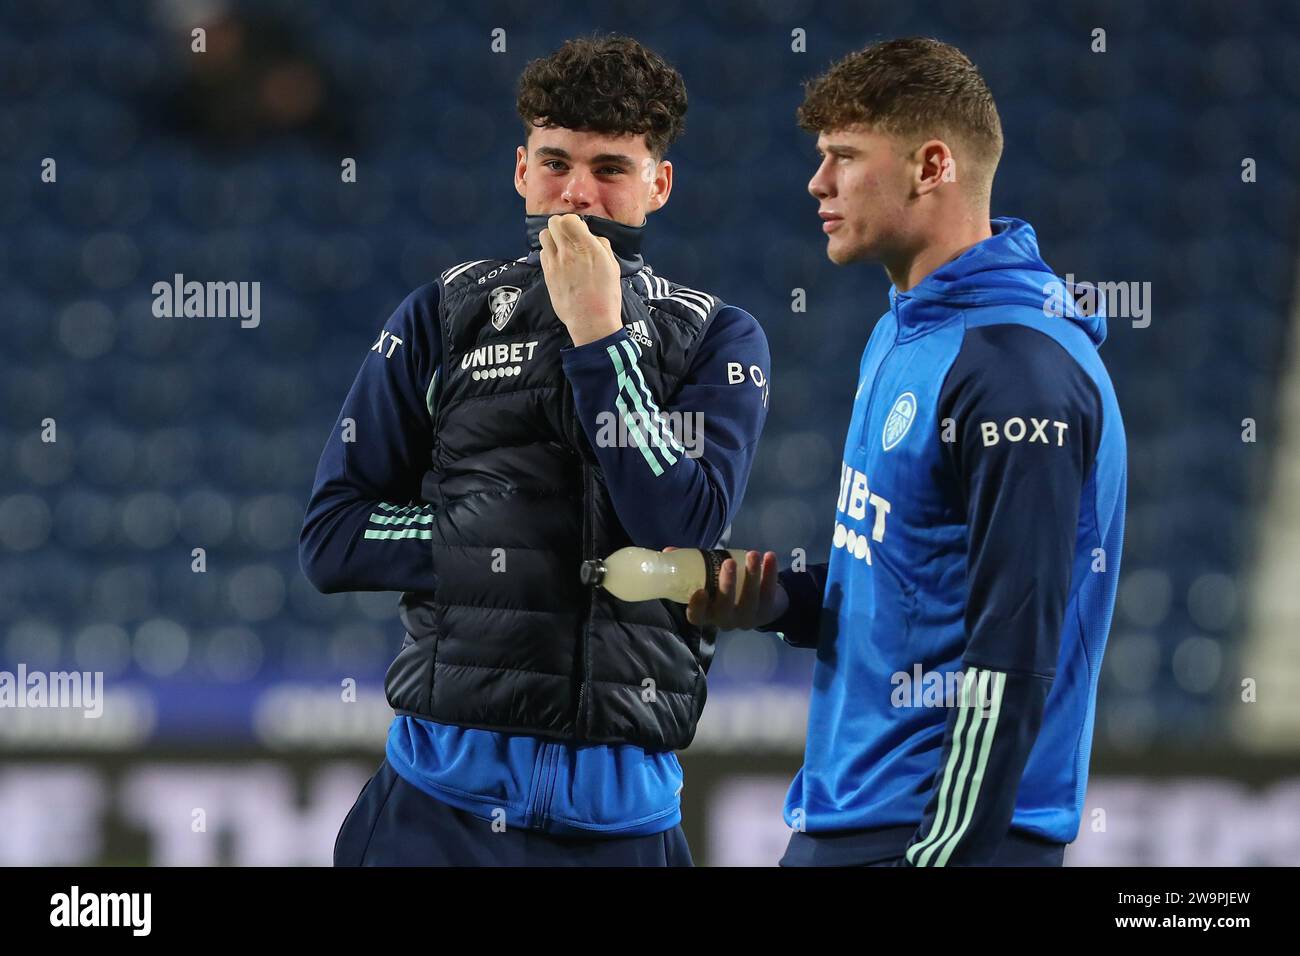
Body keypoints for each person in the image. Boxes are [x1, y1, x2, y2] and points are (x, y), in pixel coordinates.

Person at [300, 34, 771, 865]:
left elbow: (685, 520)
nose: (577, 196)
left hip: (625, 826)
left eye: (611, 170)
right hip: (437, 813)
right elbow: (334, 537)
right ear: (521, 170)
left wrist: (600, 339)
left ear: (658, 185)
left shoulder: (715, 336)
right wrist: (491, 549)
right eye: (556, 163)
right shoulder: (442, 316)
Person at [684, 37, 1126, 867]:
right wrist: (781, 602)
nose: (818, 184)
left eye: (844, 157)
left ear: (931, 166)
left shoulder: (1017, 374)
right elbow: (912, 587)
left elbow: (1012, 658)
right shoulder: (905, 330)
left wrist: (942, 855)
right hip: (847, 819)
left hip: (937, 836)